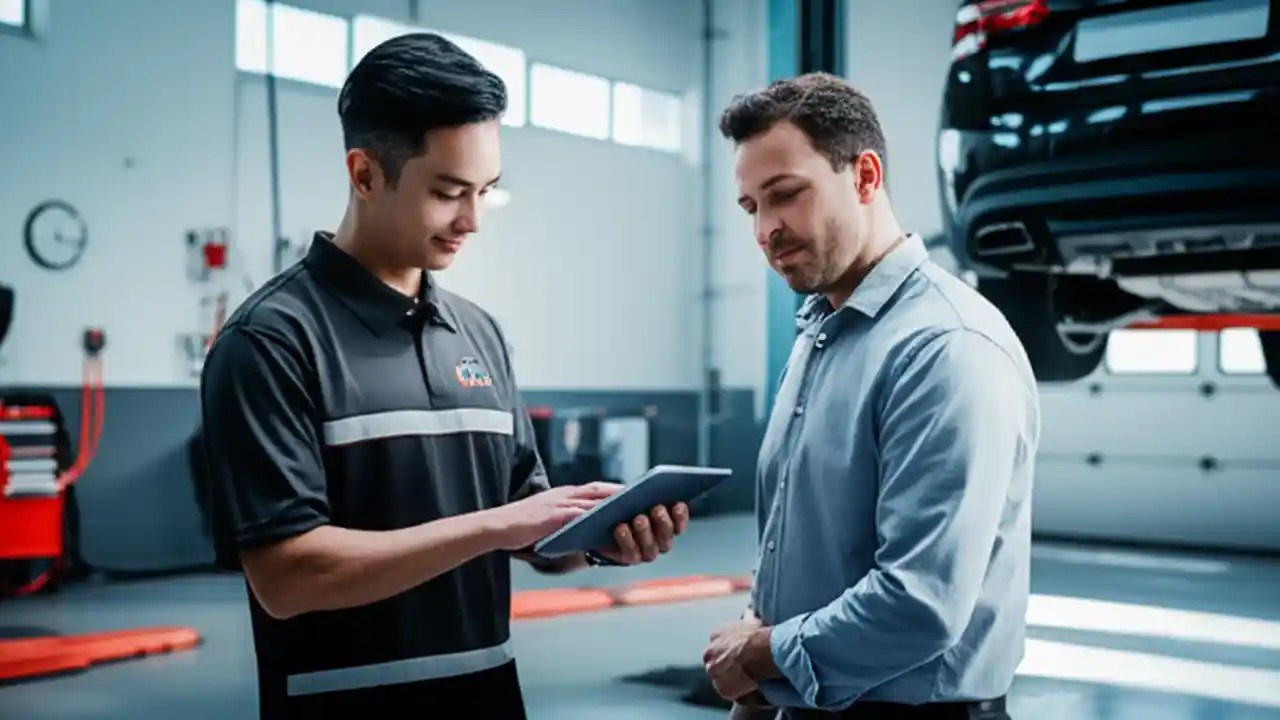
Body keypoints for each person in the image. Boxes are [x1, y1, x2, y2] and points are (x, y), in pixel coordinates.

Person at [199, 33, 689, 720]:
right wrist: (492, 526)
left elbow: (530, 528)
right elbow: (288, 577)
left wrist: (595, 538)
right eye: (449, 192)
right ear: (365, 174)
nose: (473, 220)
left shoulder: (481, 334)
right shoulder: (270, 342)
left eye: (485, 191)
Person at [700, 73, 1040, 720]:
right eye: (751, 208)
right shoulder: (819, 332)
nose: (765, 231)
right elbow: (793, 542)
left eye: (786, 196)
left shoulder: (946, 347)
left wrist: (761, 655)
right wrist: (758, 677)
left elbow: (919, 603)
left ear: (863, 177)